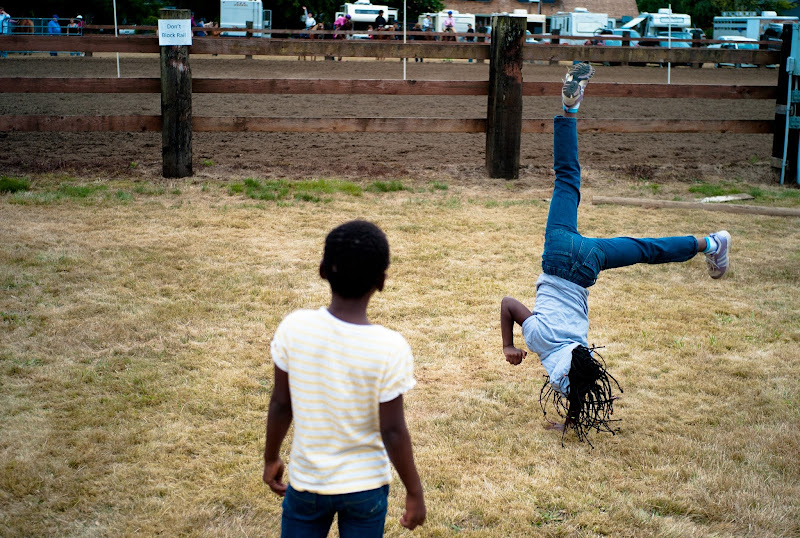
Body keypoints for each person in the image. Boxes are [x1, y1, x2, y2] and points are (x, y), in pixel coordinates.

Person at [500, 63, 732, 446]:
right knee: (566, 178)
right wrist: (508, 345)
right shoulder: (540, 339)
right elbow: (509, 303)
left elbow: (580, 383)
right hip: (559, 251)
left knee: (645, 249)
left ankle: (710, 242)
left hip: (589, 259)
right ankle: (568, 110)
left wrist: (571, 421)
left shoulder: (582, 350)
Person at [263, 220, 426, 536]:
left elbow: (281, 405)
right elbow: (392, 430)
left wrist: (271, 457)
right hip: (365, 488)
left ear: (322, 270)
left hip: (308, 483)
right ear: (381, 281)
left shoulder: (294, 328)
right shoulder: (390, 347)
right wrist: (415, 492)